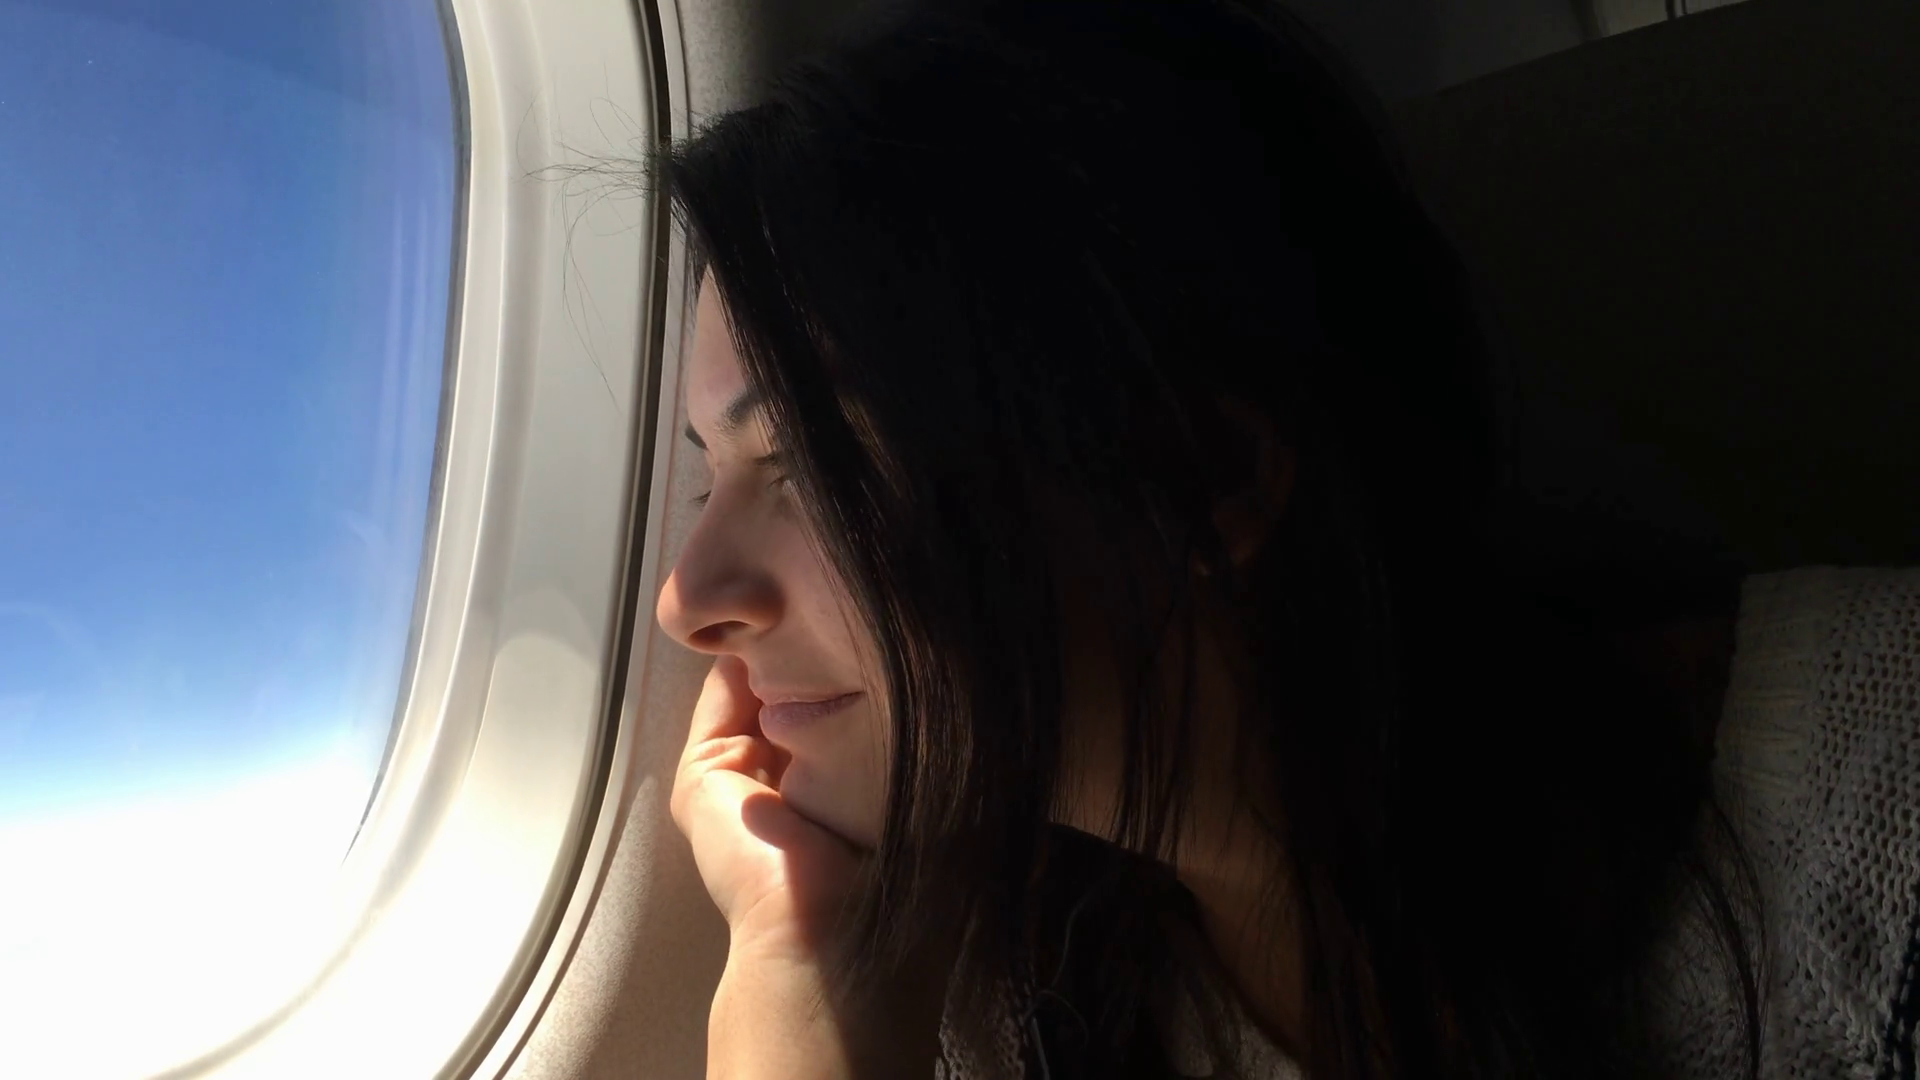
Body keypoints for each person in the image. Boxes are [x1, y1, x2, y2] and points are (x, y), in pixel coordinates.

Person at [652, 1, 1920, 1077]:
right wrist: (795, 982)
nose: (687, 598)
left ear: (1198, 477)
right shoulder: (1017, 1013)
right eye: (713, 482)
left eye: (814, 466)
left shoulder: (1877, 792)